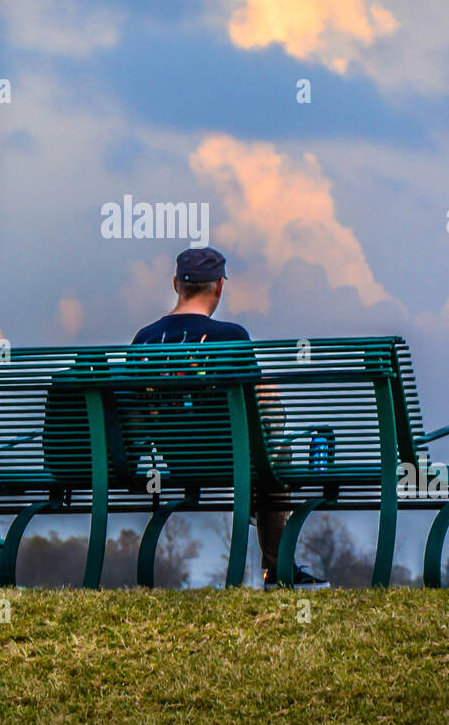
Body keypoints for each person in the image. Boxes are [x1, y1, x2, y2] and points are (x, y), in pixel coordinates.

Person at [132, 247, 329, 590]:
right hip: (233, 462)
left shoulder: (143, 340)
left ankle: (272, 553)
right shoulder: (231, 337)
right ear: (219, 287)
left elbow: (133, 416)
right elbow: (256, 409)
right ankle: (275, 569)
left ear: (176, 283)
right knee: (267, 412)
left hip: (176, 463)